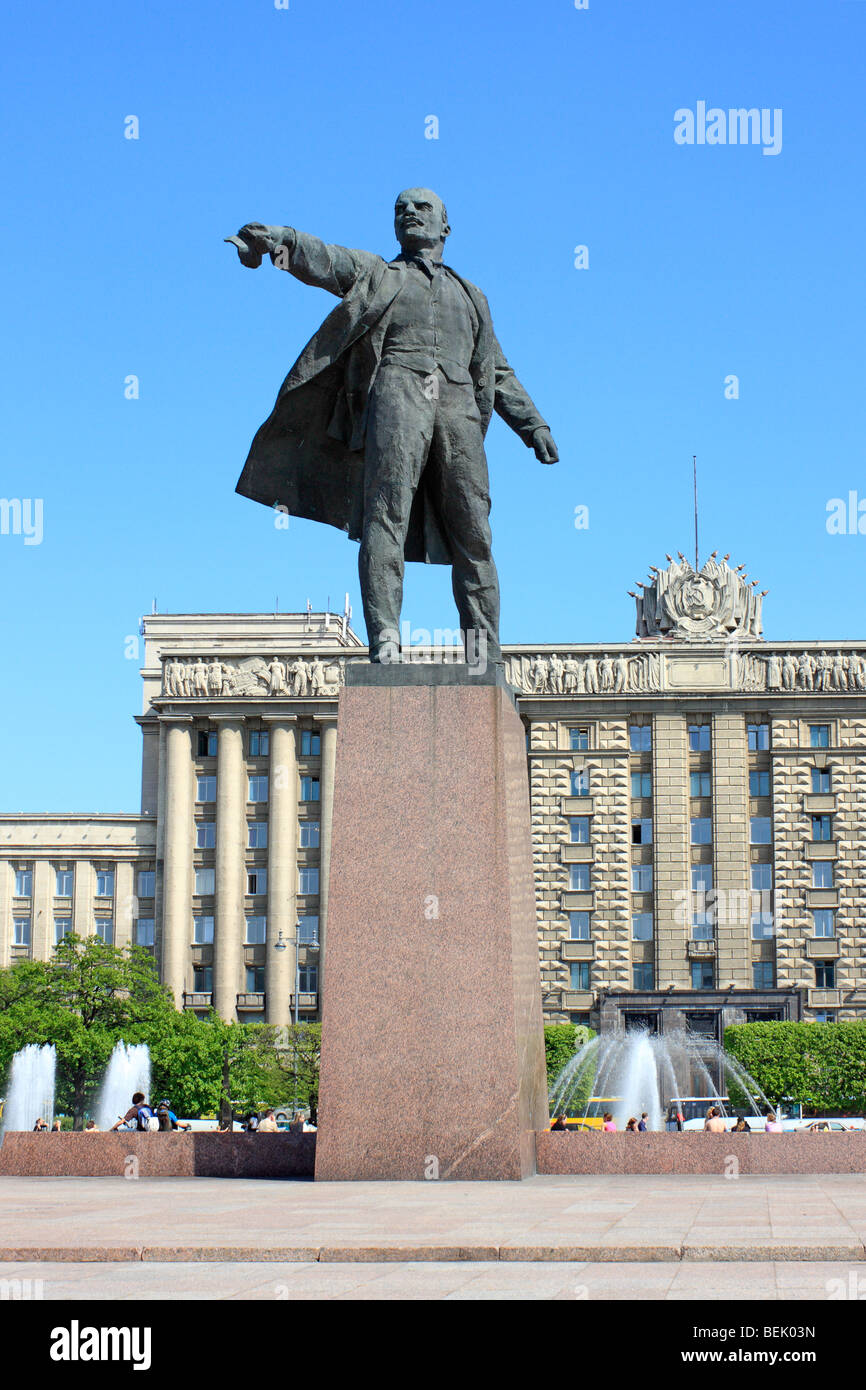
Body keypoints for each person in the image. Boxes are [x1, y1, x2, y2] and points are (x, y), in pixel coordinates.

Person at [232, 190, 558, 666]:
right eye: (401, 208)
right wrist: (278, 241)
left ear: (446, 226)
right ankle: (385, 637)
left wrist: (534, 427)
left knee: (474, 530)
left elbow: (499, 371)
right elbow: (325, 259)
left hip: (459, 404)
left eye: (422, 207)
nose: (409, 212)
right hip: (396, 392)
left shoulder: (473, 296)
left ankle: (481, 650)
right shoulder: (378, 274)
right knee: (384, 517)